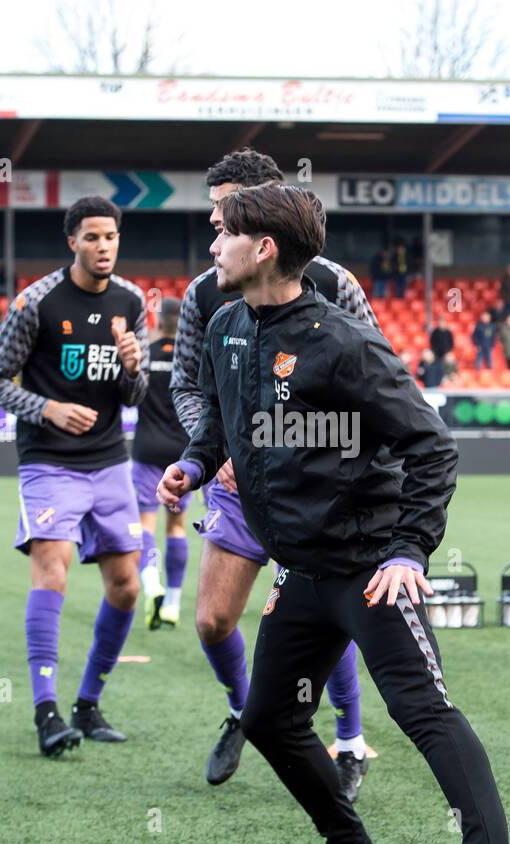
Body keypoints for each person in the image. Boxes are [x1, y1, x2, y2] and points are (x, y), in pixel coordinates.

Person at [157, 182, 510, 844]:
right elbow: (227, 425)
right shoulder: (228, 328)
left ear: (263, 249)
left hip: (368, 567)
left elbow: (432, 445)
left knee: (424, 715)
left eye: (222, 231)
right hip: (301, 570)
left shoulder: (344, 342)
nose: (211, 245)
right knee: (268, 720)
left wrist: (408, 550)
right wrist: (196, 466)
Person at [171, 149, 378, 799]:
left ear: (266, 216)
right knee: (211, 621)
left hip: (314, 488)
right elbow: (189, 389)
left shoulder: (336, 282)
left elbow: (375, 380)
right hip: (236, 482)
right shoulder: (203, 292)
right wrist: (215, 452)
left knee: (317, 616)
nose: (212, 226)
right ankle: (246, 711)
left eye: (224, 212)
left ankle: (348, 742)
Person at [0, 195, 149, 758]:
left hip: (110, 462)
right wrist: (47, 409)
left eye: (111, 238)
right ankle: (46, 711)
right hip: (49, 461)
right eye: (93, 237)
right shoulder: (36, 303)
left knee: (127, 585)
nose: (104, 247)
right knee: (51, 571)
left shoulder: (131, 302)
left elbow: (134, 395)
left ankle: (88, 703)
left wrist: (132, 369)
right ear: (72, 241)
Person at [132, 297, 192, 631]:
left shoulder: (146, 356)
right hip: (180, 454)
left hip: (146, 449)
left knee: (145, 526)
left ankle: (151, 582)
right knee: (177, 528)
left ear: (158, 319)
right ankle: (172, 602)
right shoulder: (189, 361)